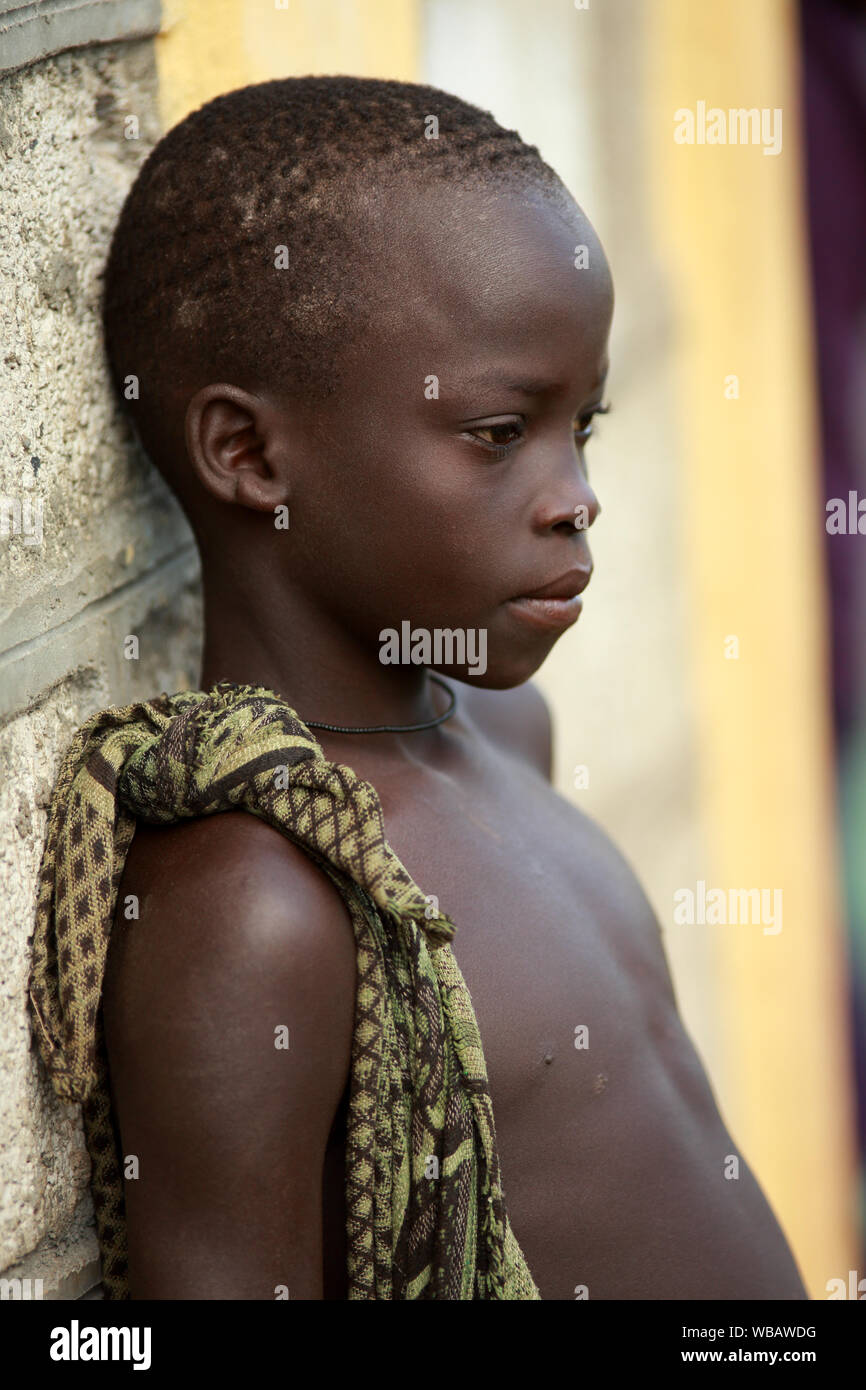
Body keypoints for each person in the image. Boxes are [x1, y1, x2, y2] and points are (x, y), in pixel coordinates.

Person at [29, 75, 808, 1300]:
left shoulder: (505, 725)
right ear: (248, 454)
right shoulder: (258, 900)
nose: (574, 497)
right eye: (501, 433)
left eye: (581, 429)